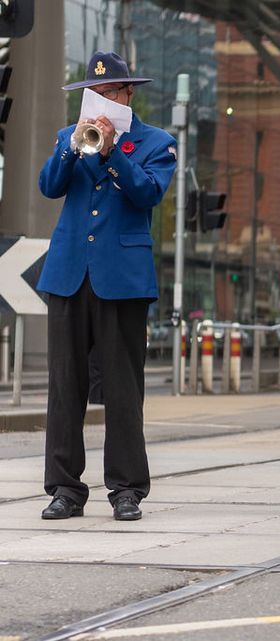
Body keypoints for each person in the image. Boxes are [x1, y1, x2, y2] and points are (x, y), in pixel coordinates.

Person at [37, 52, 177, 521]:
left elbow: (148, 194)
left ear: (127, 94)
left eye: (107, 92)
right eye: (91, 93)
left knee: (122, 388)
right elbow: (49, 187)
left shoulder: (157, 142)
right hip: (69, 273)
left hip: (122, 279)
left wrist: (114, 150)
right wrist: (71, 147)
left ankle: (126, 490)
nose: (98, 100)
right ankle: (64, 488)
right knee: (64, 387)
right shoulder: (67, 138)